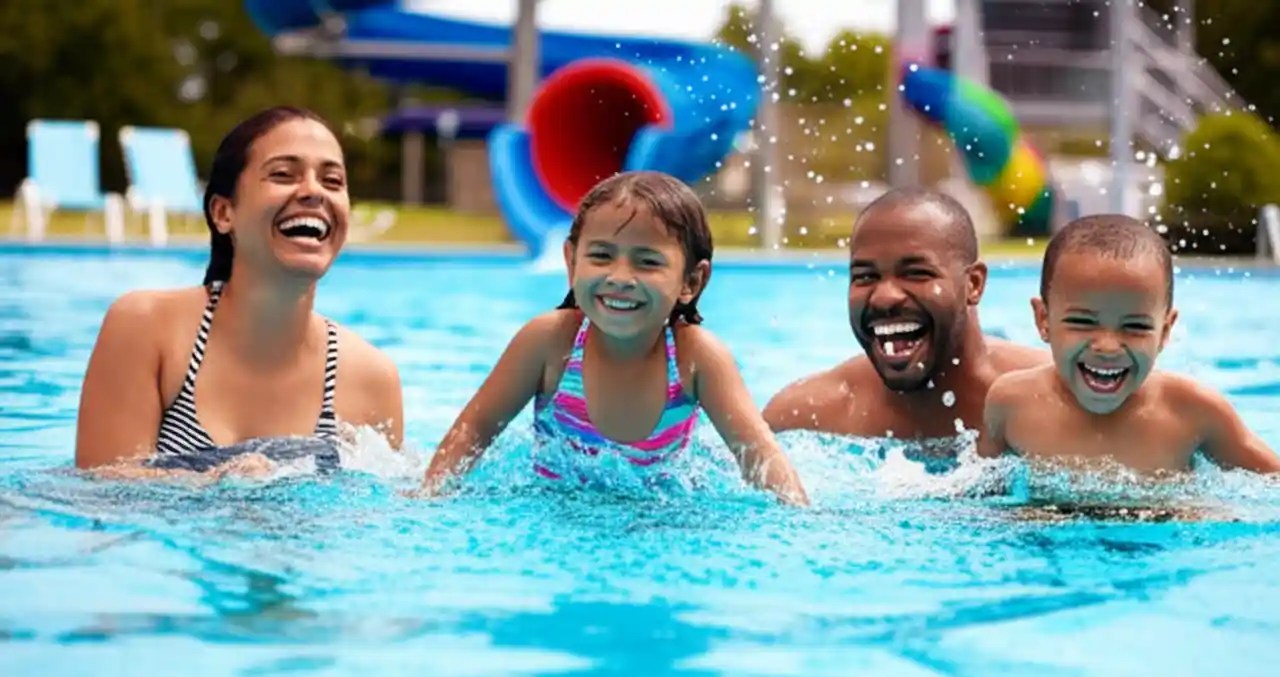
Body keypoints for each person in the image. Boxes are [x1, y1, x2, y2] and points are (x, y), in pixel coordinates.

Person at [420, 171, 808, 505]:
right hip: (557, 514)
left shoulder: (695, 357)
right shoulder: (550, 342)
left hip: (660, 520)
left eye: (648, 261)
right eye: (602, 256)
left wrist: (798, 516)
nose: (620, 277)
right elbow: (474, 428)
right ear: (572, 262)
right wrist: (430, 496)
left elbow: (760, 454)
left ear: (691, 281)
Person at [75, 106, 403, 475]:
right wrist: (216, 484)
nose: (314, 191)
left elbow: (382, 503)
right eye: (283, 174)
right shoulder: (146, 328)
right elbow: (100, 488)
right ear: (223, 213)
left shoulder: (371, 378)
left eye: (332, 181)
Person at [978, 214, 1280, 475]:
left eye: (1135, 327)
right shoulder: (1011, 403)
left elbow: (1272, 479)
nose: (1108, 347)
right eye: (1082, 322)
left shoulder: (1193, 411)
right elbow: (983, 493)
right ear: (1043, 320)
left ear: (1164, 331)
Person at [763, 187, 1047, 446]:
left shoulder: (1049, 402)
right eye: (865, 276)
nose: (884, 298)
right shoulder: (805, 418)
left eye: (916, 273)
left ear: (973, 284)